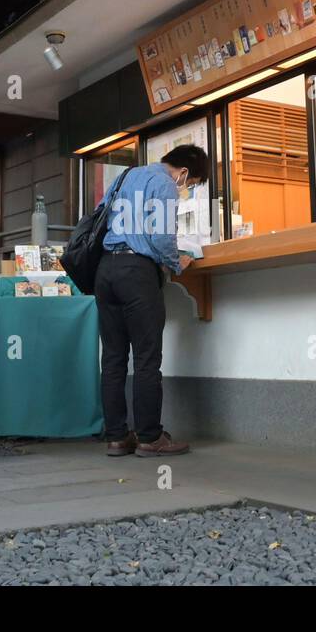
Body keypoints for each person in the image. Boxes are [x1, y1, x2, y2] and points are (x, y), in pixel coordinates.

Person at [96, 144, 208, 458]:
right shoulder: (164, 184)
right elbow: (161, 237)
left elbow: (99, 218)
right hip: (136, 272)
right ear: (184, 172)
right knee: (146, 357)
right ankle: (150, 437)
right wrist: (177, 261)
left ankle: (117, 437)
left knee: (113, 359)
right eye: (193, 183)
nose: (189, 189)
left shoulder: (123, 178)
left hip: (105, 270)